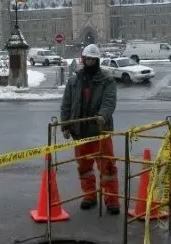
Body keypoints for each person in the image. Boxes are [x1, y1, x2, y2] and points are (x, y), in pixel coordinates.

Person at [60, 43, 120, 215]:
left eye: (93, 60)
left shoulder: (107, 80)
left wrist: (102, 115)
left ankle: (111, 200)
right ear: (83, 59)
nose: (90, 62)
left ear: (98, 61)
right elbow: (66, 105)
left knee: (107, 168)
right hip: (80, 133)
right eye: (87, 59)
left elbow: (109, 102)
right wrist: (65, 126)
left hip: (100, 132)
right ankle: (90, 195)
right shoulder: (74, 81)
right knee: (84, 167)